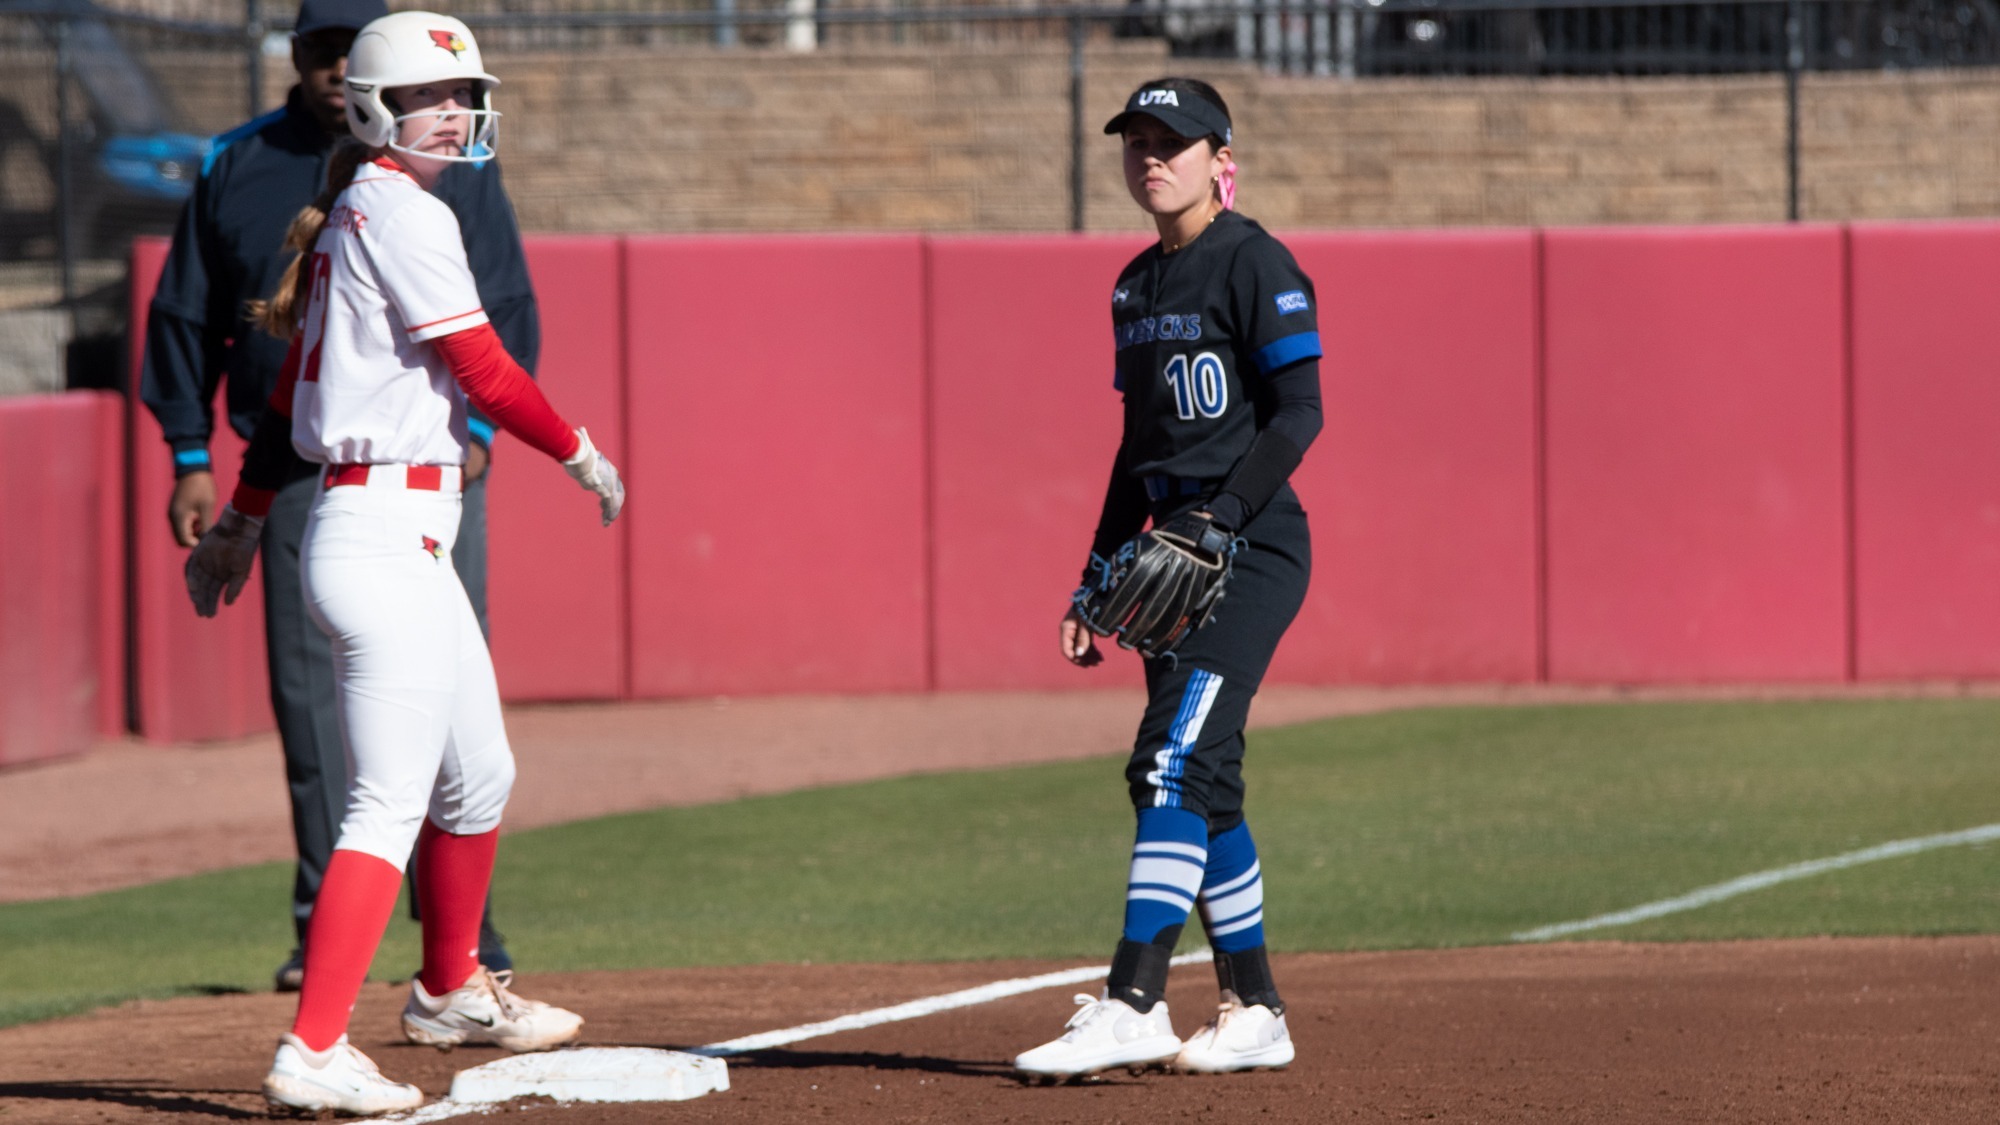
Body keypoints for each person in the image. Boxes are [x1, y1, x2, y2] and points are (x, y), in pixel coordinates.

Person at [181, 13, 625, 1114]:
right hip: (380, 532)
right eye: (435, 95)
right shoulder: (402, 208)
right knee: (385, 800)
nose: (459, 111)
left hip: (395, 532)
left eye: (465, 92)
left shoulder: (358, 209)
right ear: (380, 109)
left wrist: (241, 517)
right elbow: (481, 364)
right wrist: (577, 452)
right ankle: (314, 1048)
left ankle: (445, 988)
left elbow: (287, 398)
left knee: (479, 778)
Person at [138, 0, 536, 990]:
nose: (329, 65)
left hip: (431, 470)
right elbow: (186, 318)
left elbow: (506, 307)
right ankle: (324, 931)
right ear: (306, 58)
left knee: (451, 719)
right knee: (316, 714)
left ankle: (463, 948)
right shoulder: (241, 160)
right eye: (320, 47)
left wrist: (483, 432)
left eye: (346, 49)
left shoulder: (448, 163)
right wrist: (193, 456)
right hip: (295, 470)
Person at [1013, 77, 1322, 1081]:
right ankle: (1254, 1010)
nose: (1151, 156)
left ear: (1218, 160)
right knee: (1206, 785)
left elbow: (1298, 413)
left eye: (1172, 141)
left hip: (1249, 546)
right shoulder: (1133, 286)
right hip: (1167, 557)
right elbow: (1132, 448)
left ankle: (1133, 998)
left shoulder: (1253, 261)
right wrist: (1092, 579)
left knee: (1167, 766)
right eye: (1137, 141)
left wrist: (1221, 518)